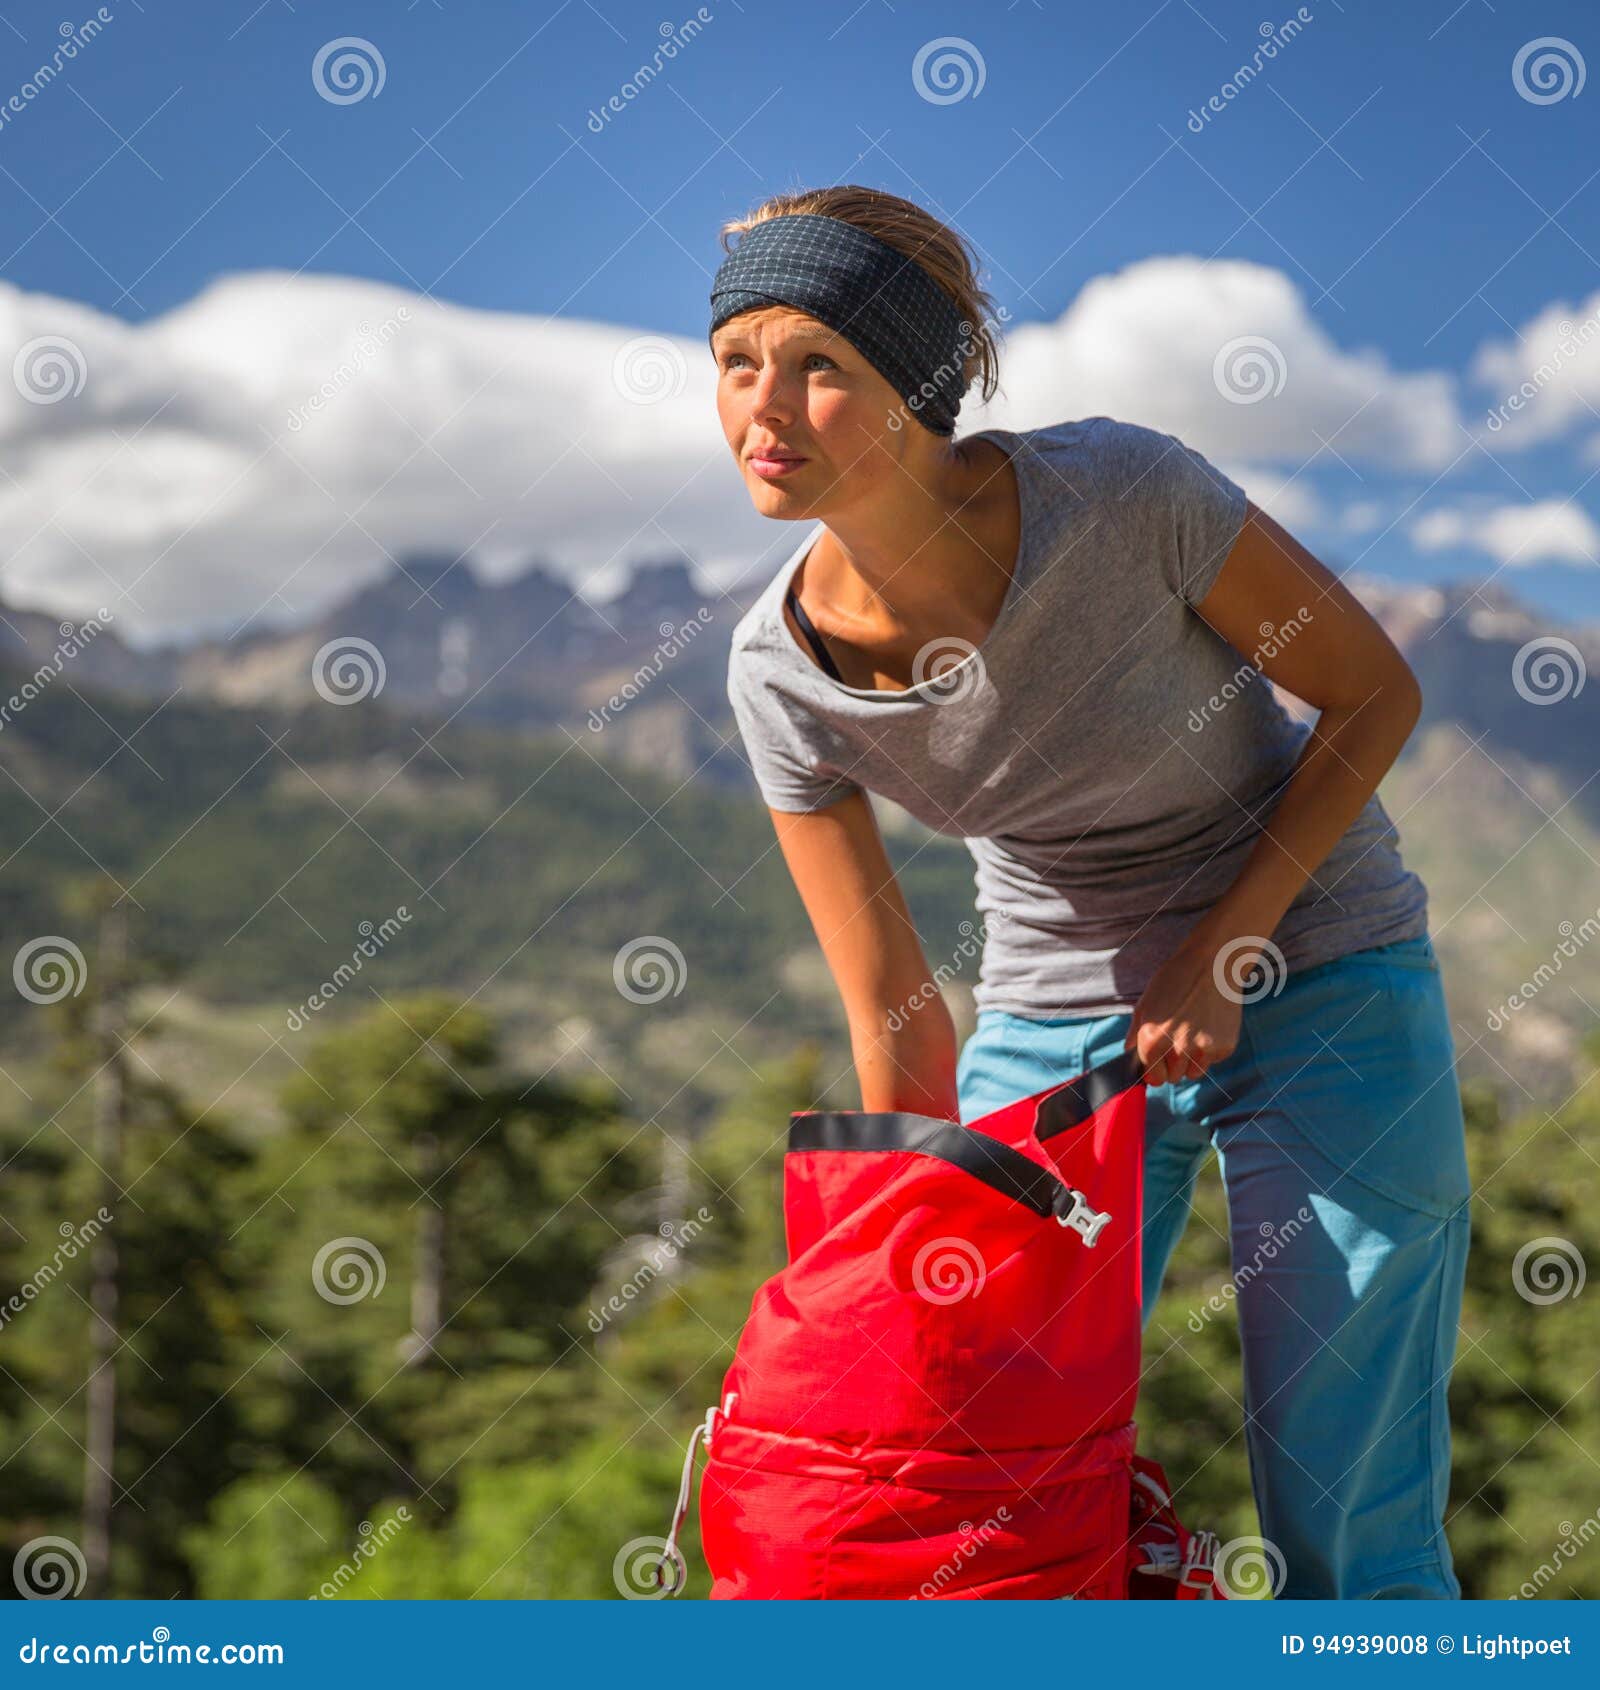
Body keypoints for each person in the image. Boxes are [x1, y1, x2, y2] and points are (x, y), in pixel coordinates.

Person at [712, 184, 1471, 1600]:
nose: (766, 406)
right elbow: (894, 1011)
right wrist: (876, 1275)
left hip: (1321, 964)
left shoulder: (1125, 496)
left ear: (915, 385)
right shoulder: (777, 672)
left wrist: (1227, 949)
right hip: (1059, 1023)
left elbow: (1372, 692)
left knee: (1346, 1512)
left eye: (822, 365)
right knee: (983, 1471)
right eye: (738, 361)